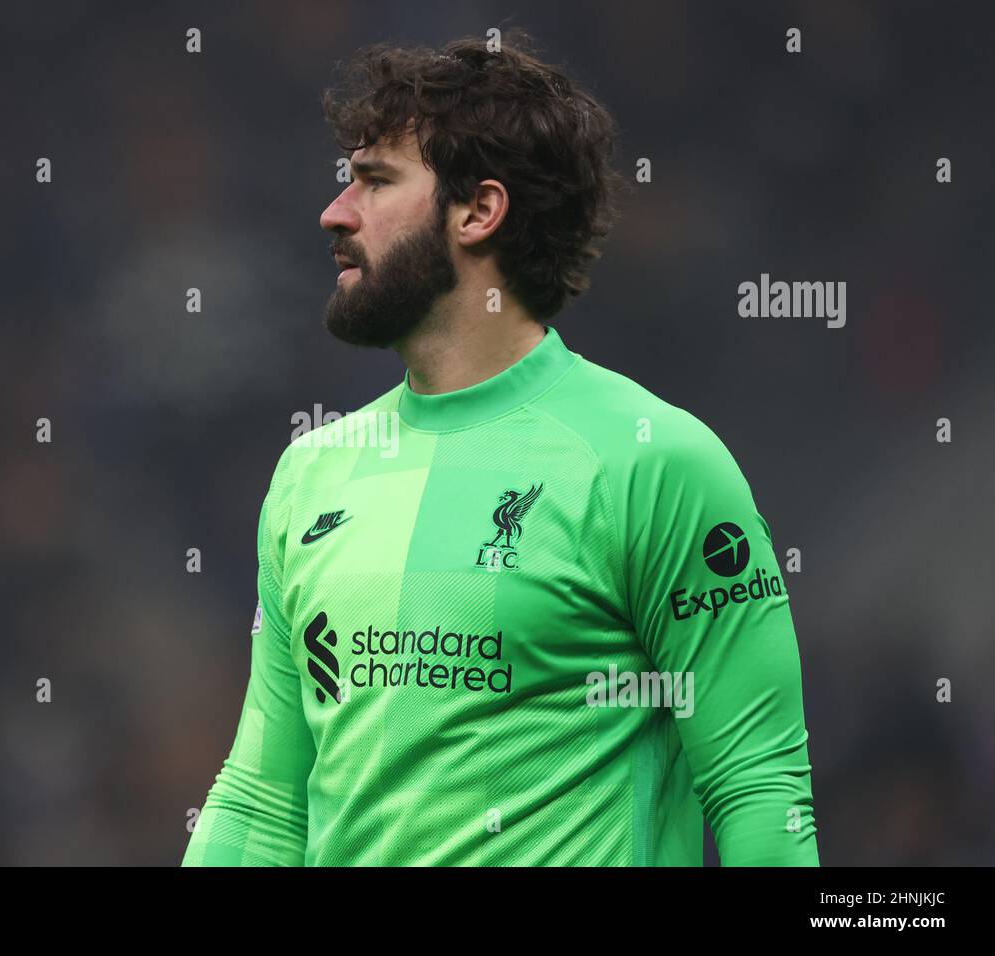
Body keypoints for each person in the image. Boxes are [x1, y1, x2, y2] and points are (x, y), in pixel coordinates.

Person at [183, 31, 818, 866]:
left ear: (479, 211)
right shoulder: (312, 472)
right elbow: (263, 803)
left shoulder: (654, 462)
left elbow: (759, 790)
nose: (336, 213)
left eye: (375, 181)